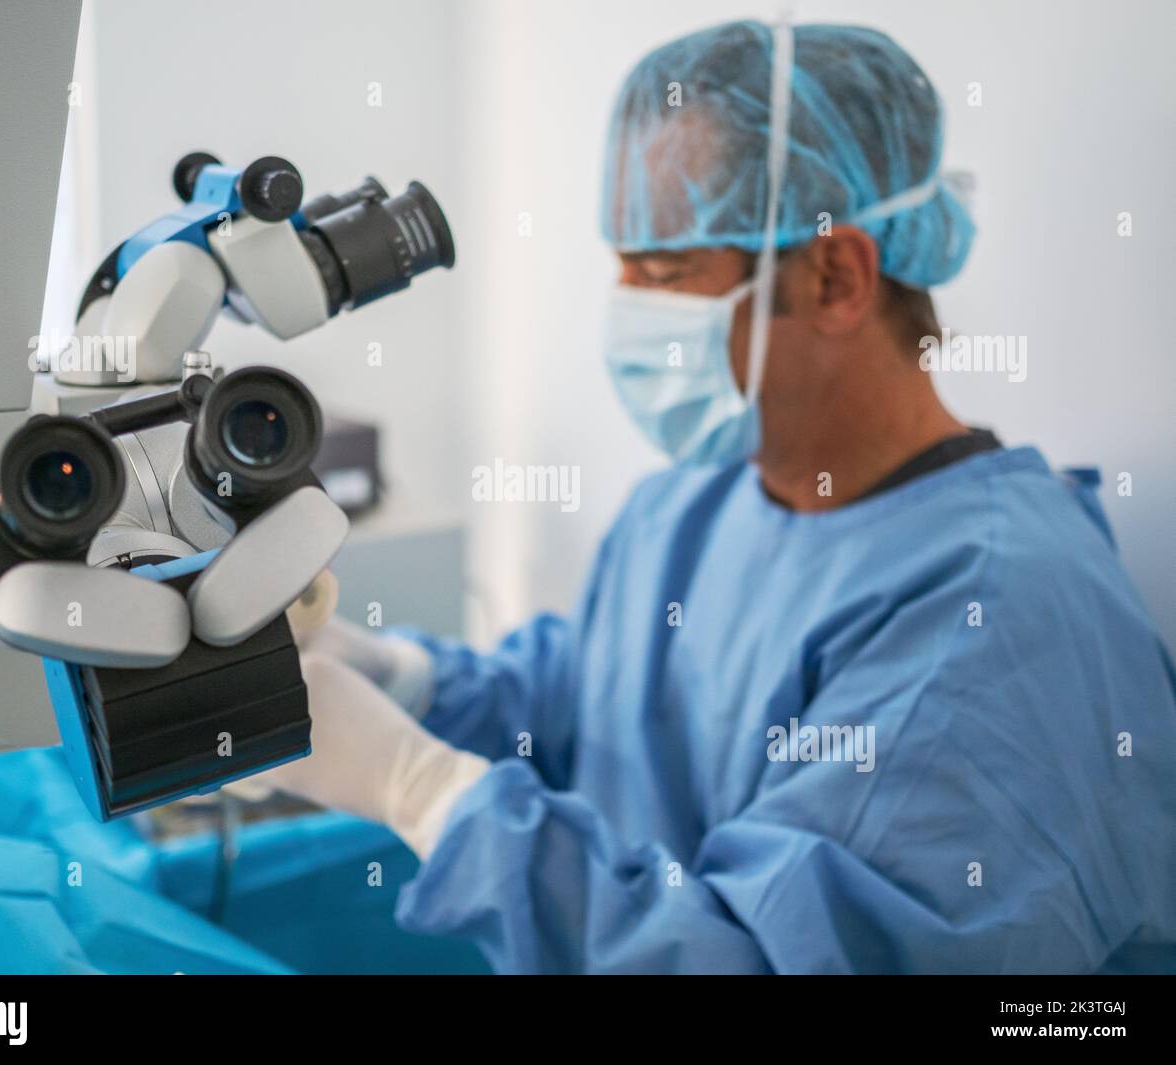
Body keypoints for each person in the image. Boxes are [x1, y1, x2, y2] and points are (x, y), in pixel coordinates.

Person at [264, 19, 1176, 973]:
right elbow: (595, 707)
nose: (623, 309)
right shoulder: (693, 508)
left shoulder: (992, 624)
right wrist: (389, 675)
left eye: (663, 274)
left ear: (836, 276)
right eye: (622, 265)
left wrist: (423, 791)